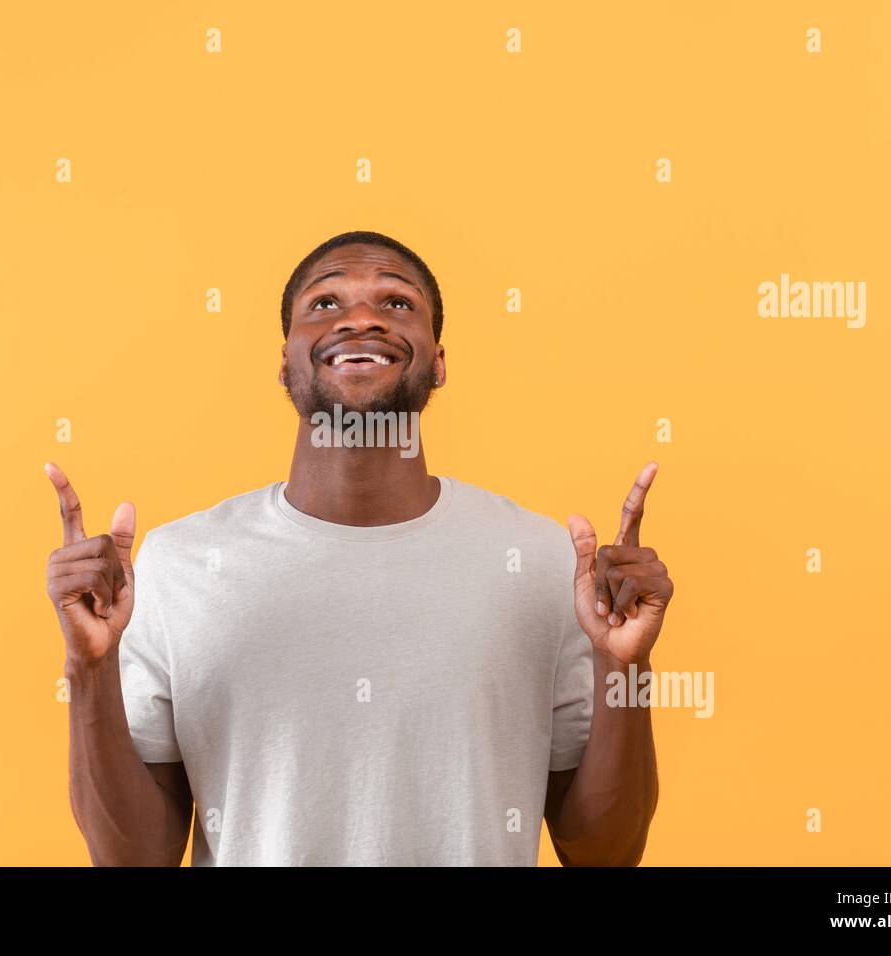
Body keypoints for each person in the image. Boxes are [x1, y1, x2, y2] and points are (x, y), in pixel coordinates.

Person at [44, 230, 673, 866]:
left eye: (397, 303)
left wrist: (626, 666)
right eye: (325, 304)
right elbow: (134, 858)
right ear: (285, 362)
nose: (363, 318)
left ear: (439, 361)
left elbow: (605, 853)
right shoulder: (180, 563)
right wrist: (89, 670)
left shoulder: (541, 561)